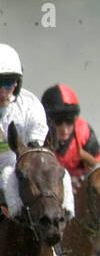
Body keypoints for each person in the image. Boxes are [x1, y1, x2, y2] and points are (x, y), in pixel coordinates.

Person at [0, 43, 68, 215]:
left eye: (8, 83)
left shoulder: (31, 106)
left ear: (17, 83)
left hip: (23, 178)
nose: (2, 91)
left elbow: (37, 156)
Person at [40, 84, 100, 180]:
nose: (65, 129)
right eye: (58, 122)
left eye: (69, 121)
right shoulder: (37, 134)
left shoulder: (84, 131)